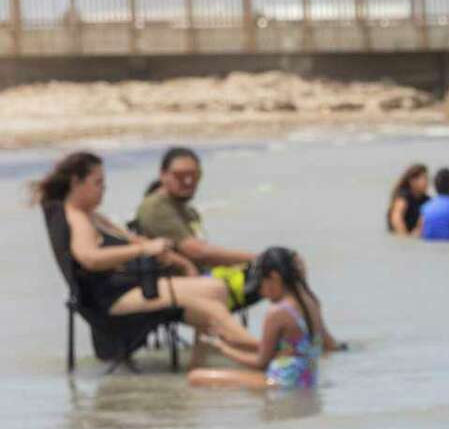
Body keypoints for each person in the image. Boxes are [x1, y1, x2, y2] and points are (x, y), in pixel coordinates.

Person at [36, 151, 259, 352]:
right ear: (76, 182)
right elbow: (90, 259)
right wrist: (142, 249)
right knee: (213, 289)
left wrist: (176, 260)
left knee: (210, 300)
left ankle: (207, 366)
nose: (103, 189)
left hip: (131, 288)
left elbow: (134, 239)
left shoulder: (95, 217)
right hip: (110, 299)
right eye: (98, 183)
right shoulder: (77, 218)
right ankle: (256, 350)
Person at [131, 146, 345, 351]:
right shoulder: (156, 206)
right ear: (163, 174)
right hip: (187, 288)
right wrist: (260, 259)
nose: (188, 181)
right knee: (287, 265)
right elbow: (199, 252)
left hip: (205, 277)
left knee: (290, 263)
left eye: (194, 175)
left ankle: (306, 339)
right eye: (180, 175)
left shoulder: (186, 209)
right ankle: (313, 342)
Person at [187, 249, 320, 390]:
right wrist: (231, 341)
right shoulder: (311, 303)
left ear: (274, 277)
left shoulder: (278, 312)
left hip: (281, 382)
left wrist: (224, 349)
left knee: (195, 377)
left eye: (260, 284)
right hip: (307, 380)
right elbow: (284, 349)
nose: (261, 292)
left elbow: (260, 363)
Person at [387, 164, 430, 235]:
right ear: (412, 181)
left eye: (427, 178)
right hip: (401, 235)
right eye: (423, 178)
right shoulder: (403, 197)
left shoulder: (427, 200)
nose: (426, 182)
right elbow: (396, 219)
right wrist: (406, 237)